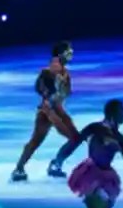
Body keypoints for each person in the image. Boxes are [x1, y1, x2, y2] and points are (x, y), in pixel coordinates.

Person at [11, 41, 78, 181]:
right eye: (68, 52)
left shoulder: (64, 72)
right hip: (49, 111)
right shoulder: (50, 71)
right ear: (61, 54)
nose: (71, 54)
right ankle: (54, 164)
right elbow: (40, 88)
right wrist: (49, 97)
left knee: (37, 141)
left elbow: (64, 93)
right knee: (74, 138)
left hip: (54, 110)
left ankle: (20, 169)